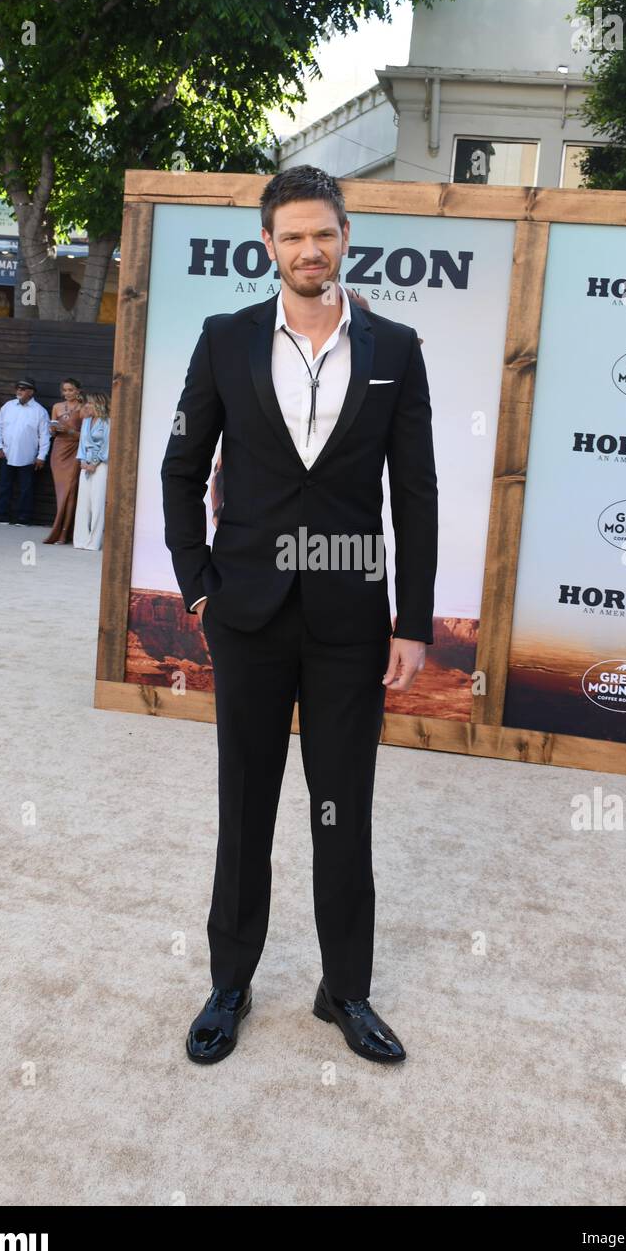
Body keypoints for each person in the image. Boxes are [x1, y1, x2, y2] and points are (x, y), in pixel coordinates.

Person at [161, 165, 438, 1066]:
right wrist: (198, 585)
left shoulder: (396, 348)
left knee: (339, 804)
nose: (309, 249)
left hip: (350, 617)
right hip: (246, 611)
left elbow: (418, 495)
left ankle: (343, 989)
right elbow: (178, 468)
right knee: (243, 803)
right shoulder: (224, 339)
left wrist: (414, 621)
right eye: (292, 236)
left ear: (345, 238)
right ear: (269, 246)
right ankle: (230, 981)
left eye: (324, 233)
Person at [0, 378, 50, 525]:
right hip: (7, 453)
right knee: (4, 487)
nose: (19, 391)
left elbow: (44, 436)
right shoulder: (8, 406)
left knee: (26, 489)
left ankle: (23, 518)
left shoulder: (40, 411)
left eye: (23, 389)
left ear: (31, 392)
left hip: (28, 456)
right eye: (18, 388)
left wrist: (41, 456)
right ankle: (1, 516)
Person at [43, 378, 85, 544]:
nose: (68, 393)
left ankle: (64, 533)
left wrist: (70, 431)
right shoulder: (56, 407)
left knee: (71, 491)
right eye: (65, 390)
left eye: (71, 390)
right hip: (58, 450)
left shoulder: (84, 408)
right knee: (61, 491)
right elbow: (52, 432)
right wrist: (53, 430)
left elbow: (86, 435)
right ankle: (58, 530)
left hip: (74, 449)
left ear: (78, 391)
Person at [72, 392, 110, 550]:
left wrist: (94, 463)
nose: (86, 406)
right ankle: (80, 540)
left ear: (99, 404)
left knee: (97, 502)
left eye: (89, 403)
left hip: (100, 465)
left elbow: (107, 445)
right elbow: (82, 443)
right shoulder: (86, 421)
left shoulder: (108, 422)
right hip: (85, 464)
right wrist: (82, 461)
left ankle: (94, 542)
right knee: (83, 503)